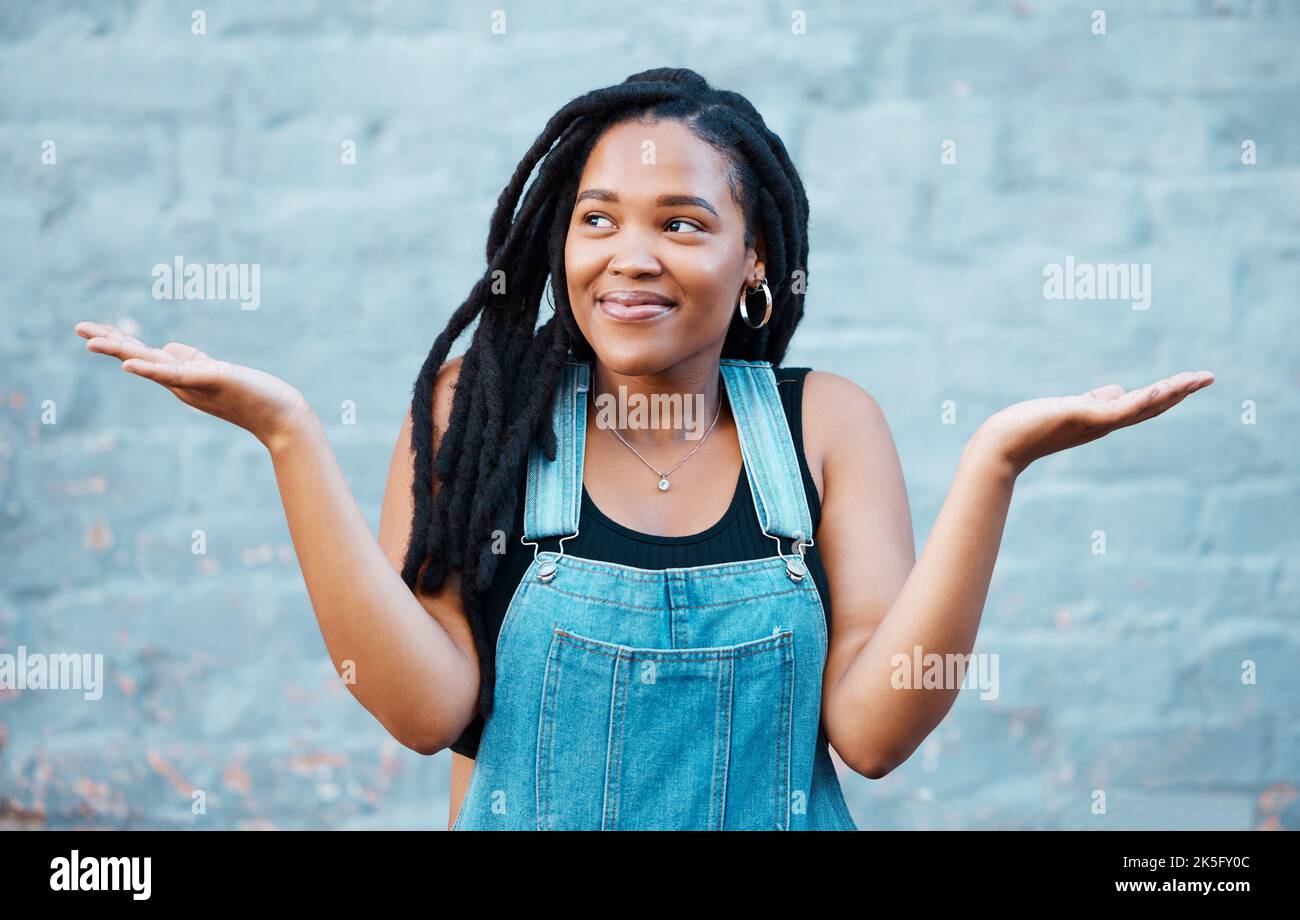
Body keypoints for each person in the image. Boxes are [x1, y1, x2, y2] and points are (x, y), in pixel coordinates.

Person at [74, 67, 1214, 830]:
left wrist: (995, 467)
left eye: (682, 222)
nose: (629, 254)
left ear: (754, 254)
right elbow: (421, 710)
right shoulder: (479, 416)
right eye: (597, 216)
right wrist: (288, 437)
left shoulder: (825, 427)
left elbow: (872, 733)